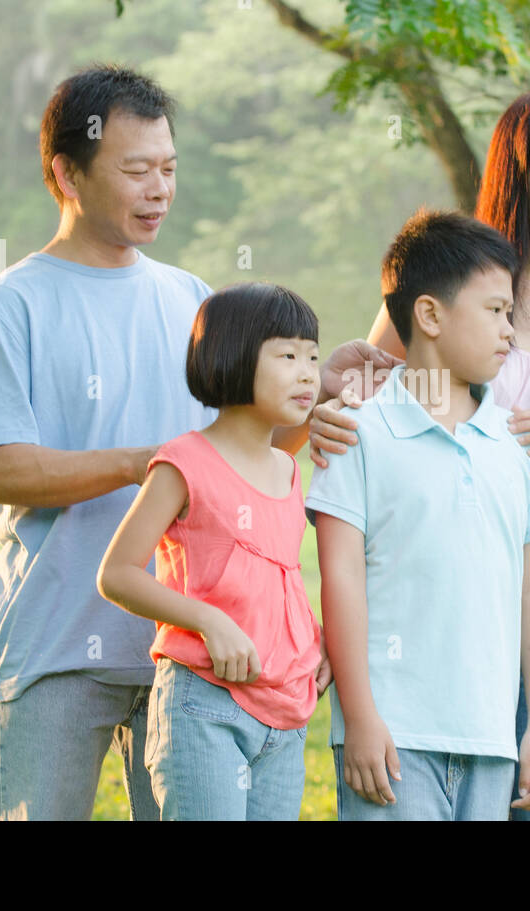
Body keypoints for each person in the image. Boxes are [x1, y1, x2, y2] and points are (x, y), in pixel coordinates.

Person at [299, 87, 530, 820]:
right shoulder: (453, 283)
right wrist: (317, 414)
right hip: (425, 611)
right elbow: (360, 420)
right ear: (516, 179)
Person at [0, 63, 295, 820]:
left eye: (169, 169)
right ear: (67, 173)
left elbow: (251, 443)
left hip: (191, 651)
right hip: (56, 643)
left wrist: (330, 388)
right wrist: (146, 464)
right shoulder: (10, 307)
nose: (159, 189)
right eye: (136, 170)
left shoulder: (193, 299)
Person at [305, 208, 530, 821]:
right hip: (391, 742)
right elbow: (341, 581)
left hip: (490, 741)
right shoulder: (356, 436)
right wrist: (361, 718)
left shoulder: (520, 444)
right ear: (429, 314)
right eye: (495, 311)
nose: (510, 330)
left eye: (511, 313)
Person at [97, 282, 331, 821]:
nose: (307, 373)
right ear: (232, 357)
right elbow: (117, 574)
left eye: (313, 358)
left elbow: (279, 577)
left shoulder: (291, 469)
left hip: (285, 713)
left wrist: (312, 641)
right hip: (204, 705)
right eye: (288, 355)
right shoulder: (184, 462)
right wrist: (209, 621)